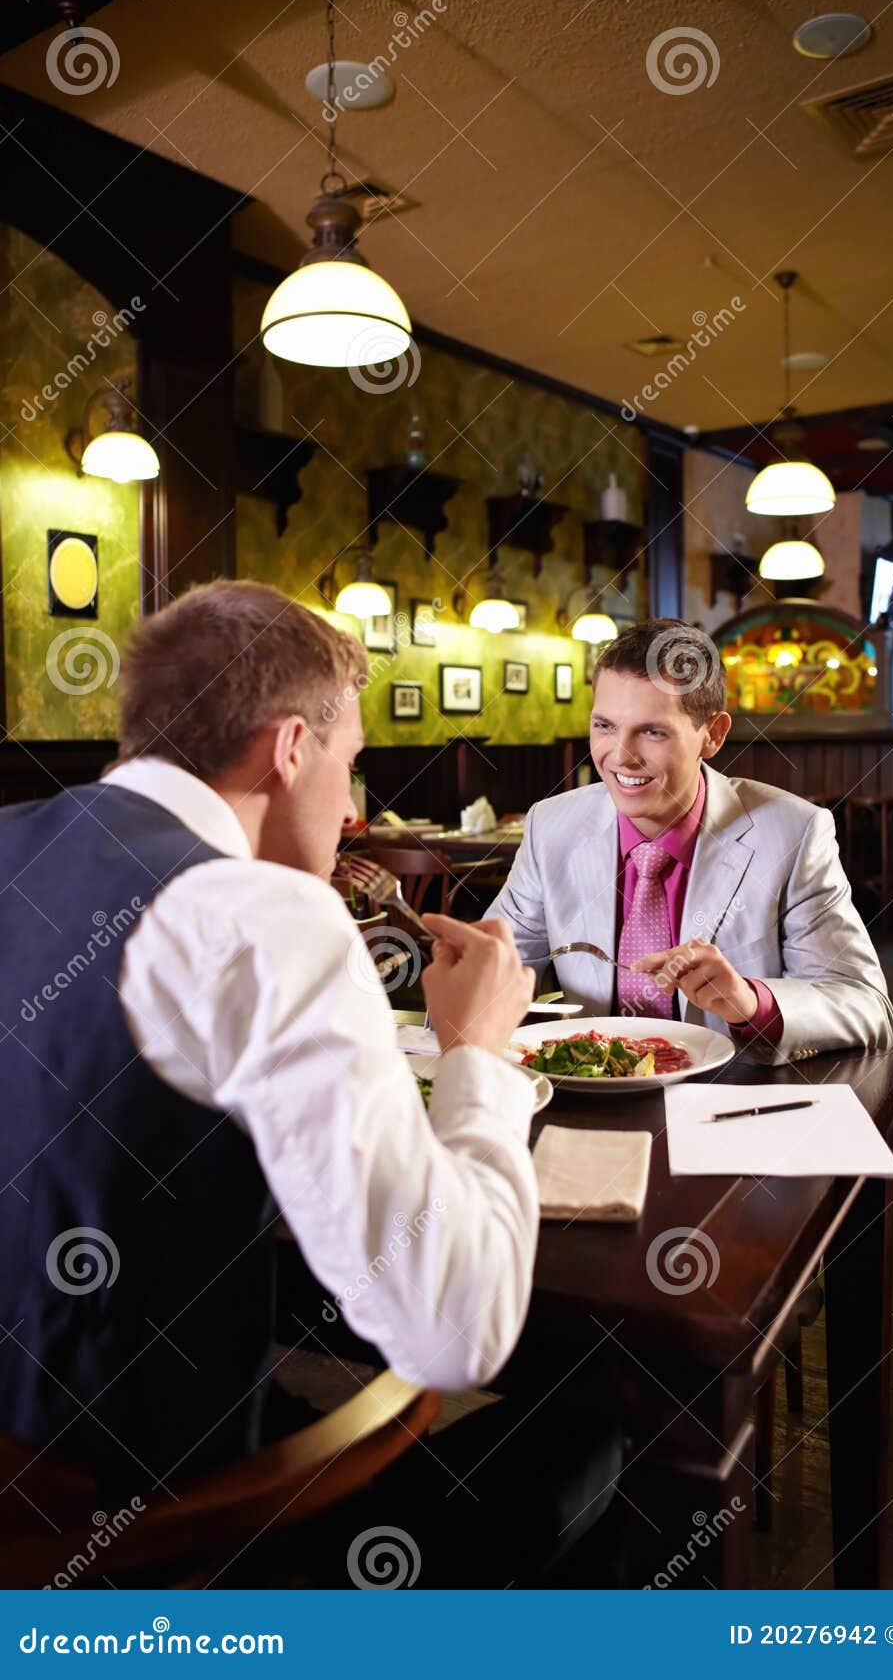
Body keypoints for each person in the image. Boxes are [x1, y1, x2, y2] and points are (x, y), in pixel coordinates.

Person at [0, 580, 618, 1587]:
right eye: (351, 765)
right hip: (160, 1540)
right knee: (590, 1438)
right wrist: (478, 1052)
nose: (351, 806)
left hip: (27, 1485)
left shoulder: (14, 843)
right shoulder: (258, 913)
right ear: (289, 749)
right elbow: (455, 1328)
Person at [486, 619, 893, 1063]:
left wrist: (750, 1002)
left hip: (735, 1104)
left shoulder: (794, 834)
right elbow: (495, 969)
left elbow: (866, 1007)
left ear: (713, 735)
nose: (620, 755)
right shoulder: (552, 825)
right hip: (586, 1101)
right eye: (604, 726)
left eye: (652, 732)